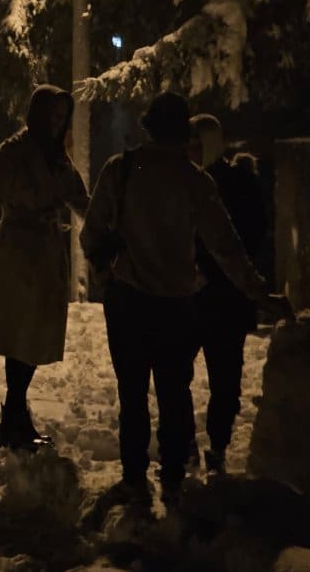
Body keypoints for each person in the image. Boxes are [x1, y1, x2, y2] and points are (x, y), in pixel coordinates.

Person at [81, 92, 271, 505]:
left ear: (147, 126)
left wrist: (108, 276)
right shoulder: (195, 181)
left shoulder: (123, 169)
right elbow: (227, 247)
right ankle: (172, 478)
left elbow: (90, 234)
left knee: (132, 394)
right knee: (174, 393)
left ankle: (133, 479)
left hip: (128, 301)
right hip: (177, 305)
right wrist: (259, 292)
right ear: (184, 132)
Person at [0, 84, 90, 452]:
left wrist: (109, 231)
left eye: (61, 116)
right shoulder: (14, 152)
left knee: (35, 336)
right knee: (19, 334)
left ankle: (15, 416)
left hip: (47, 253)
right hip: (17, 252)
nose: (56, 122)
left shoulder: (59, 159)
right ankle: (14, 418)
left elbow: (81, 201)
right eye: (52, 114)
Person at [188, 114, 265, 475]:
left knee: (225, 381)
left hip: (224, 300)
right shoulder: (183, 181)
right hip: (191, 296)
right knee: (175, 375)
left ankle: (216, 446)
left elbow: (247, 238)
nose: (192, 150)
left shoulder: (236, 184)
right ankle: (184, 442)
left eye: (198, 144)